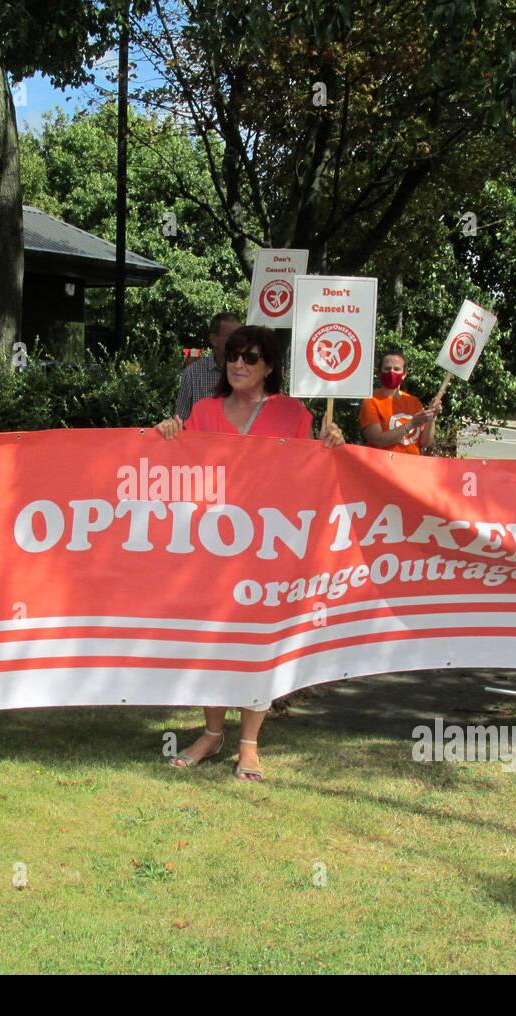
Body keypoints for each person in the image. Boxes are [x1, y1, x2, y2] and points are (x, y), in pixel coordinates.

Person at [154, 324, 344, 781]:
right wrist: (167, 435)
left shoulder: (292, 415)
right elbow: (176, 470)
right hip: (211, 548)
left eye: (251, 358)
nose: (239, 364)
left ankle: (249, 744)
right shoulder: (202, 411)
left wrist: (330, 446)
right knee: (211, 638)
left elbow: (309, 475)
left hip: (267, 548)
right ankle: (212, 733)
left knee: (258, 641)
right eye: (234, 355)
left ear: (270, 367)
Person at [359, 348, 440, 454]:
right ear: (380, 373)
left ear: (404, 374)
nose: (391, 372)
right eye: (387, 369)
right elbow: (378, 440)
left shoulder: (414, 402)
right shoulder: (371, 401)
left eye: (396, 369)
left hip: (412, 466)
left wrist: (431, 418)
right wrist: (410, 424)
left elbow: (425, 442)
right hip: (383, 467)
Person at [174, 311, 241, 421]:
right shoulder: (192, 373)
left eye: (241, 336)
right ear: (214, 339)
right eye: (232, 336)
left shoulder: (248, 372)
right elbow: (180, 421)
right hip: (201, 437)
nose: (238, 342)